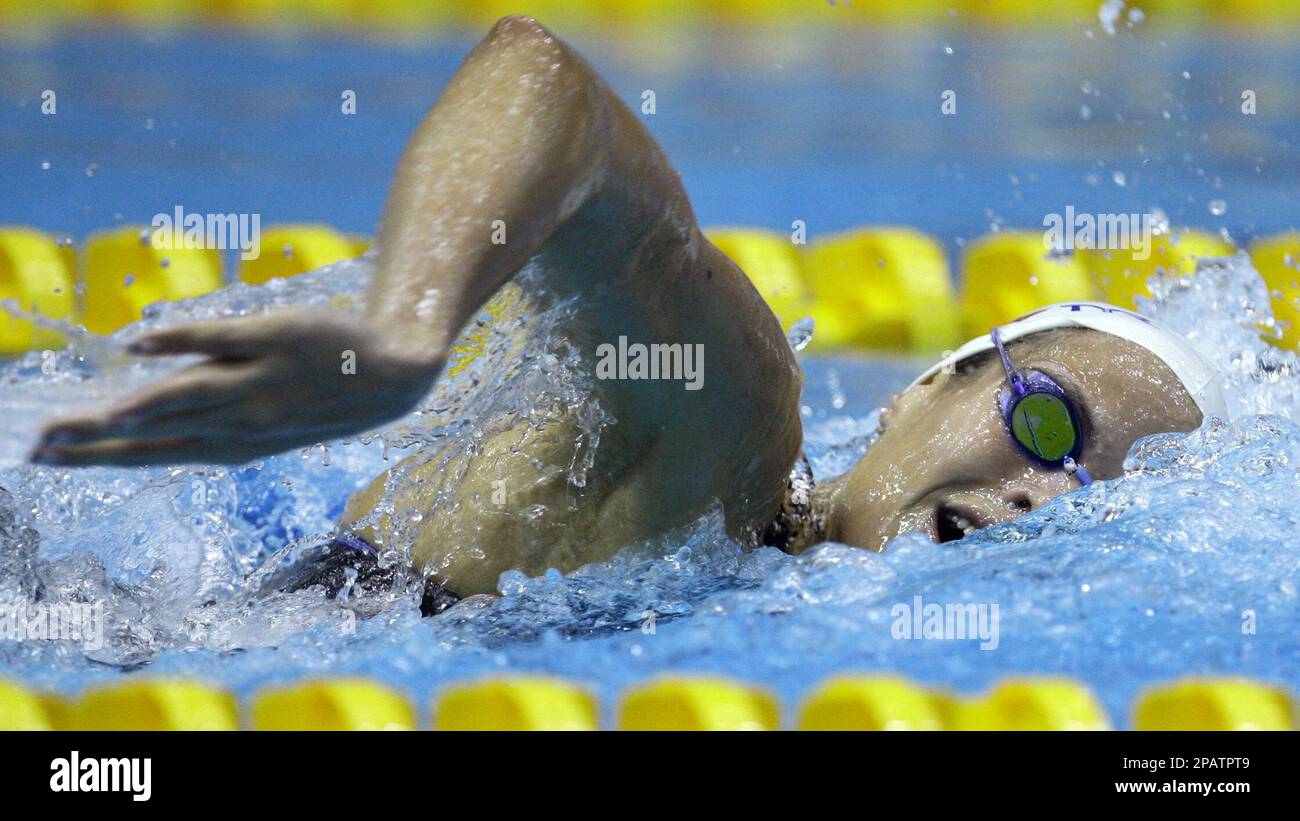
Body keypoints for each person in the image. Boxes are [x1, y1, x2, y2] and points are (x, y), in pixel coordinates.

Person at [30, 16, 1224, 615]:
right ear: (924, 387)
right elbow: (544, 85)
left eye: (1101, 501)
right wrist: (407, 325)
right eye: (1053, 429)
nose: (1049, 494)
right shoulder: (735, 436)